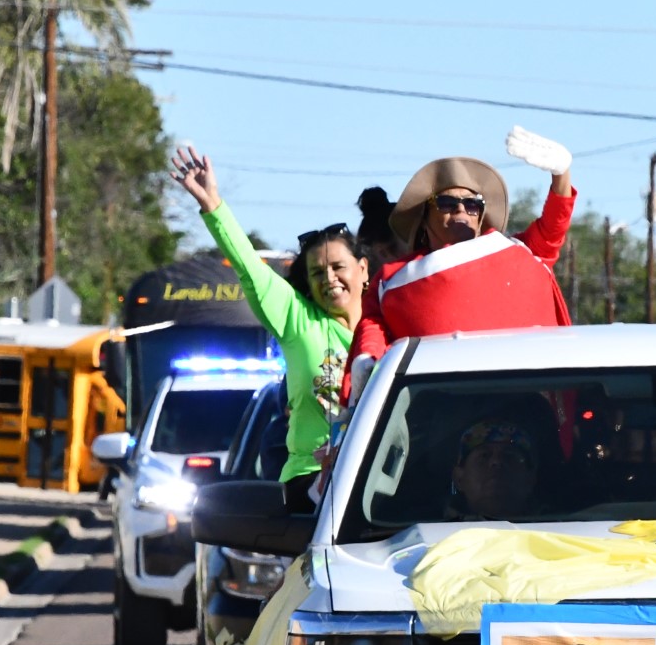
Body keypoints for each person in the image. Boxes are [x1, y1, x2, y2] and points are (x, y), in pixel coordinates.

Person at [172, 145, 370, 511]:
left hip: (375, 483)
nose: (329, 278)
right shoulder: (297, 318)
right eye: (316, 272)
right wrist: (213, 205)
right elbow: (251, 268)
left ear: (364, 269)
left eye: (338, 266)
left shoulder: (390, 327)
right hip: (311, 482)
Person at [347, 141, 576, 402]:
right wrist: (367, 358)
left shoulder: (519, 251)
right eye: (445, 203)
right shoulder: (393, 277)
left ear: (481, 215)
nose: (460, 210)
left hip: (528, 405)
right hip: (440, 414)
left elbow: (553, 227)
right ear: (423, 217)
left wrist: (561, 174)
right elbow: (373, 324)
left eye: (472, 204)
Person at [449, 418, 541, 520]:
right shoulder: (432, 531)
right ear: (459, 479)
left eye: (509, 456)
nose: (497, 462)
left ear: (530, 480)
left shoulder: (555, 529)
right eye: (484, 456)